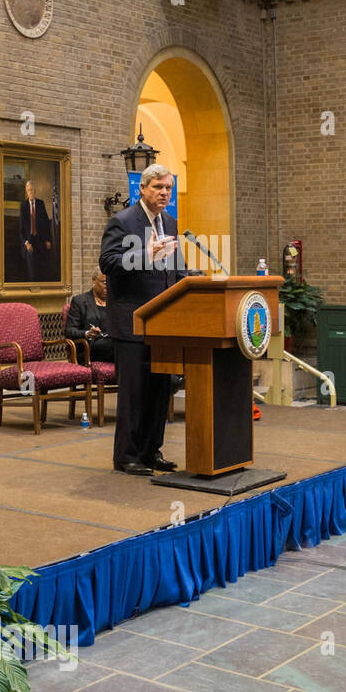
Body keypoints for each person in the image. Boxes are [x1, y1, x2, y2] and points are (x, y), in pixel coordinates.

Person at [99, 163, 200, 475]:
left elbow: (174, 267)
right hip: (132, 322)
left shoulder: (169, 222)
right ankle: (127, 456)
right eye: (158, 188)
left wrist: (195, 279)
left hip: (163, 323)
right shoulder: (123, 221)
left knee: (159, 390)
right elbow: (107, 262)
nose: (165, 193)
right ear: (142, 189)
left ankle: (150, 451)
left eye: (168, 188)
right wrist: (144, 254)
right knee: (134, 393)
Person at [66, 271, 115, 363]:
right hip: (88, 347)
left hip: (112, 344)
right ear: (94, 281)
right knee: (120, 345)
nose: (108, 286)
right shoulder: (79, 301)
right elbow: (69, 331)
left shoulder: (115, 302)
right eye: (105, 283)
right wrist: (87, 333)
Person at [18, 180, 55, 282]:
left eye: (32, 190)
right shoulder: (23, 205)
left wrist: (48, 239)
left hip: (40, 239)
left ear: (35, 191)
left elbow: (46, 224)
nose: (30, 192)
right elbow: (21, 228)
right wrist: (26, 243)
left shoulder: (40, 204)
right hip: (29, 240)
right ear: (26, 191)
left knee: (42, 268)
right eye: (28, 190)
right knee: (31, 271)